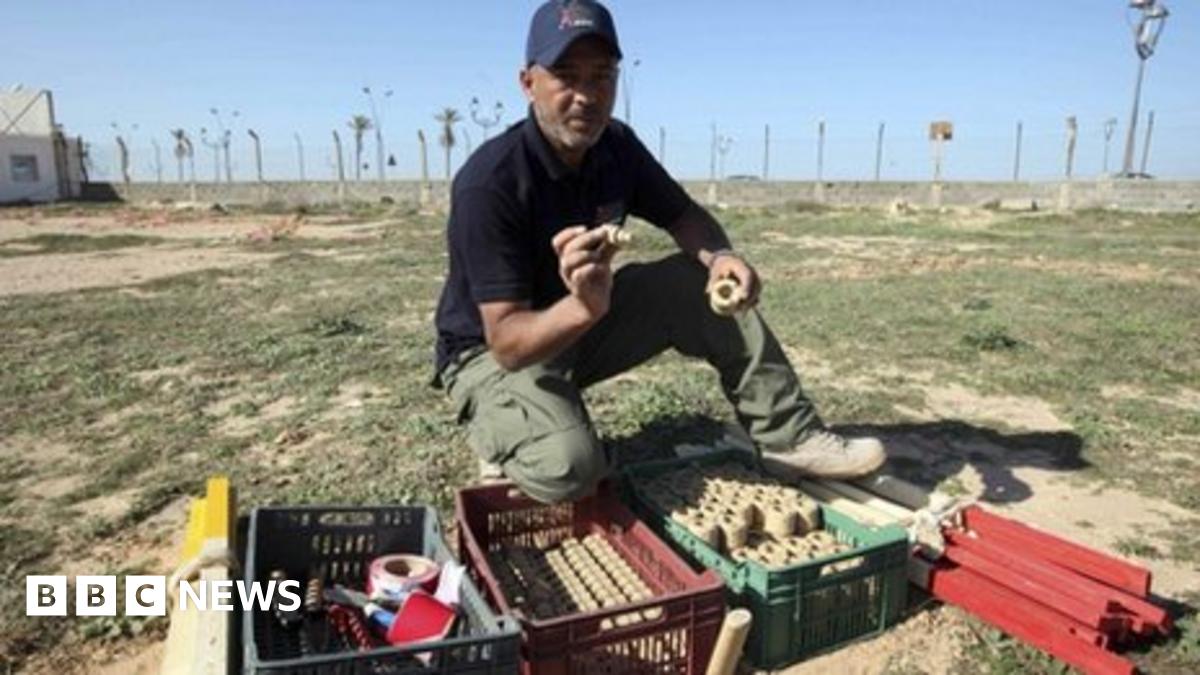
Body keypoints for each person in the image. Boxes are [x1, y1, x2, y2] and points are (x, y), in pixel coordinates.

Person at [433, 0, 885, 504]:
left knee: (693, 282)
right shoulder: (491, 183)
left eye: (602, 76)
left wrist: (719, 258)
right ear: (527, 82)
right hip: (492, 356)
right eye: (565, 75)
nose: (586, 95)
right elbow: (507, 342)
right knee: (572, 470)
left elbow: (684, 217)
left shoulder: (616, 147)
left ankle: (789, 437)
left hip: (580, 326)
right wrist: (583, 306)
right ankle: (506, 440)